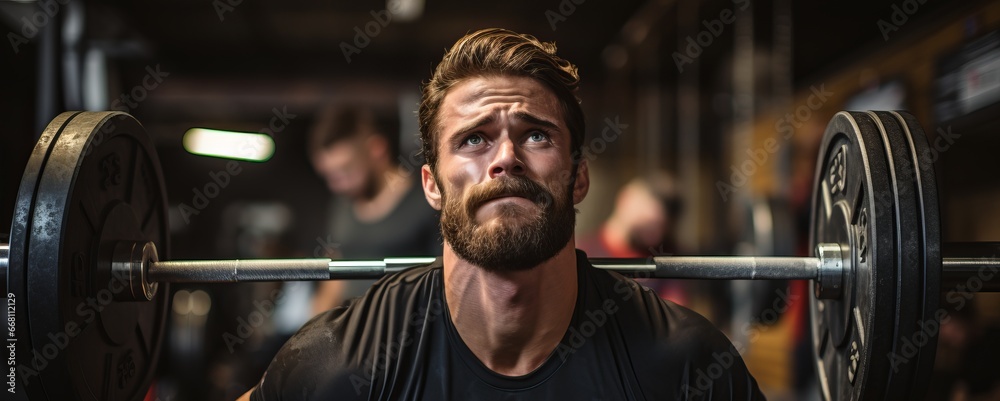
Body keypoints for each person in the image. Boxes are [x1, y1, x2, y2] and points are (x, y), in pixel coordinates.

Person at [239, 28, 764, 400]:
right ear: (432, 186)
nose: (506, 158)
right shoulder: (340, 366)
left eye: (536, 134)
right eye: (473, 139)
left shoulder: (683, 365)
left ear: (579, 176)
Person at [307, 105, 440, 314]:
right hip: (354, 333)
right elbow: (335, 278)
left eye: (346, 170)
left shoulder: (426, 201)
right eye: (330, 176)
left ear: (376, 149)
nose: (337, 185)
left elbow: (447, 281)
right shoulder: (341, 206)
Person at [577, 172, 690, 305]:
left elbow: (676, 312)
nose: (656, 236)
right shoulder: (582, 252)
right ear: (626, 200)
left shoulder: (667, 255)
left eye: (663, 227)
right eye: (650, 222)